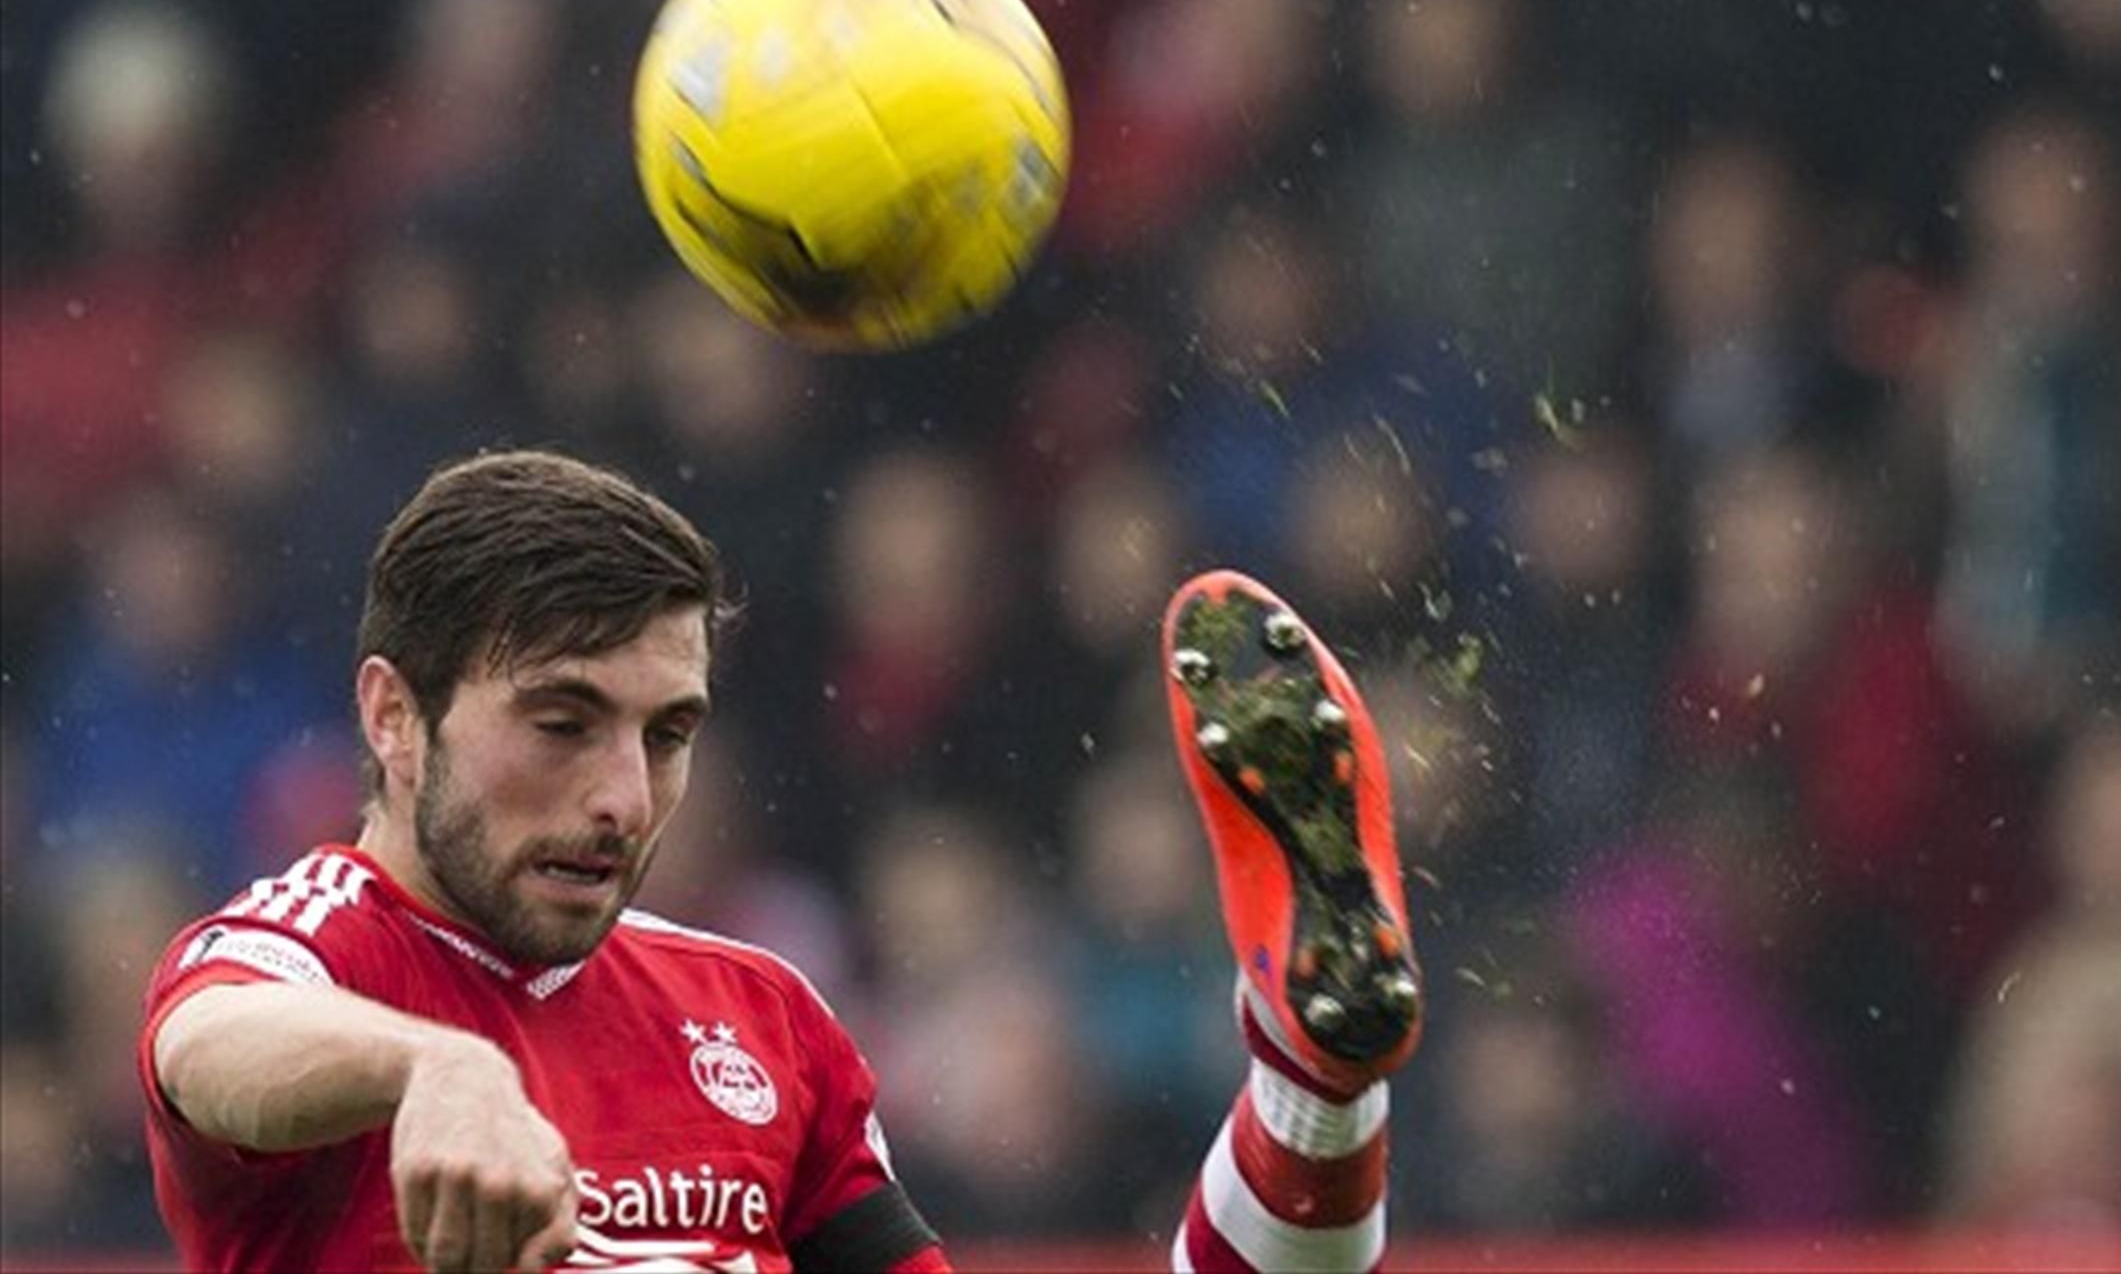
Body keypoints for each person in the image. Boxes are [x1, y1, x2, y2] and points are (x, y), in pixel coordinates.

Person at [138, 449, 1423, 1273]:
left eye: (669, 733)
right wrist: (437, 1069)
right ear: (392, 717)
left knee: (1308, 1118)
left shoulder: (757, 1017)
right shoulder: (321, 947)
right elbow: (210, 1043)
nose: (626, 798)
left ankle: (1311, 1081)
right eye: (563, 722)